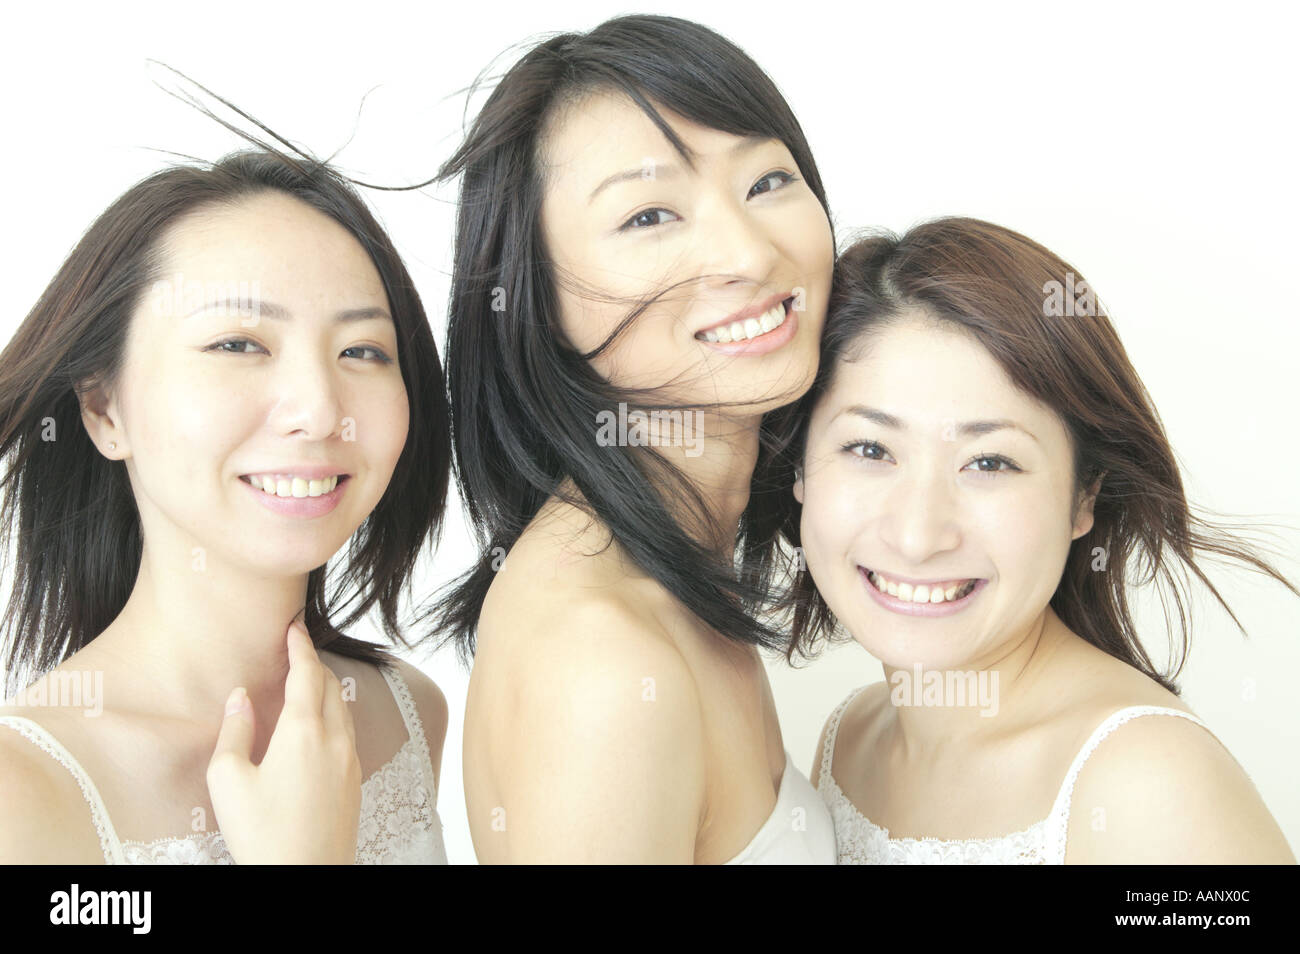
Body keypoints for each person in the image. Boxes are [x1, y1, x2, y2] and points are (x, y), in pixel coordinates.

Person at [424, 14, 838, 862]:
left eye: (766, 181)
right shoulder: (606, 665)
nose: (749, 254)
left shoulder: (671, 580)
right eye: (651, 216)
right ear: (533, 298)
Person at [781, 217, 1297, 863]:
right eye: (869, 448)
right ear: (798, 465)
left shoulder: (1146, 782)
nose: (917, 535)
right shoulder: (853, 737)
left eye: (991, 462)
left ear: (1085, 497)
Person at [0, 149, 453, 864]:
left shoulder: (409, 713)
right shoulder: (19, 797)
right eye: (239, 343)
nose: (318, 409)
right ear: (103, 409)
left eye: (363, 351)